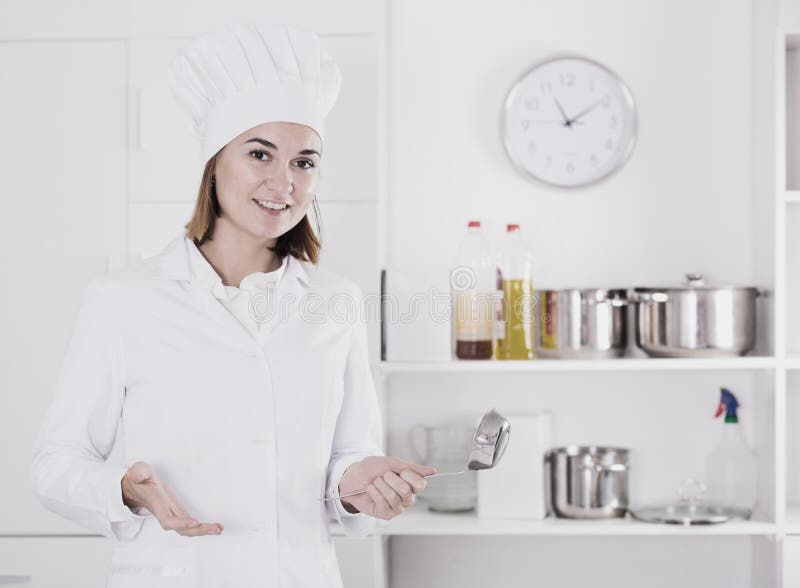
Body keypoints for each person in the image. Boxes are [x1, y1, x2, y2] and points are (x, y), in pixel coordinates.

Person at [30, 22, 434, 587]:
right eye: (260, 154)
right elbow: (57, 464)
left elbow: (347, 459)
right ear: (214, 164)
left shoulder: (336, 303)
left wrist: (361, 482)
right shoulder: (124, 301)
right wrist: (122, 488)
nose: (284, 182)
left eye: (304, 162)